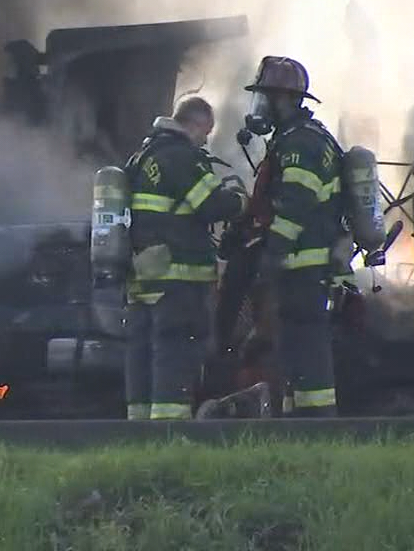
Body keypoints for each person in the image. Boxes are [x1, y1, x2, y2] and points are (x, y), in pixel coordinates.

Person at [124, 96, 248, 420]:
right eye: (206, 131)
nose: (206, 139)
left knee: (142, 353)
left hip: (142, 276)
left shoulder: (140, 158)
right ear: (193, 124)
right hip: (177, 278)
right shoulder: (182, 156)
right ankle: (171, 432)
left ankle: (138, 429)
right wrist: (240, 203)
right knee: (175, 350)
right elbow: (209, 205)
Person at [242, 55, 344, 417]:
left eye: (263, 97)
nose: (259, 107)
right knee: (291, 345)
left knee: (307, 343)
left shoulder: (302, 142)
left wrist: (275, 249)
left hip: (306, 263)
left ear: (282, 99)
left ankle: (317, 423)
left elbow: (298, 202)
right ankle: (296, 420)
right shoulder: (291, 138)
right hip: (297, 264)